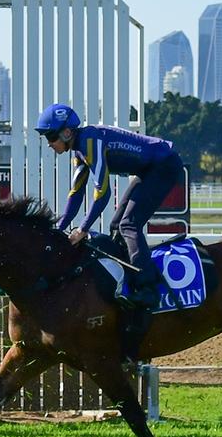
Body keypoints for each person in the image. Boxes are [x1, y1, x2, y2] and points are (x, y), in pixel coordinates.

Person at [35, 102, 185, 311]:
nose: (49, 143)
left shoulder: (89, 142)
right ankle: (130, 280)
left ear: (67, 132)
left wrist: (82, 229)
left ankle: (148, 289)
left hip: (164, 164)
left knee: (129, 225)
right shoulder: (79, 150)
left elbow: (103, 193)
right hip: (150, 168)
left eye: (51, 137)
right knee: (117, 226)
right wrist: (58, 230)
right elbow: (76, 194)